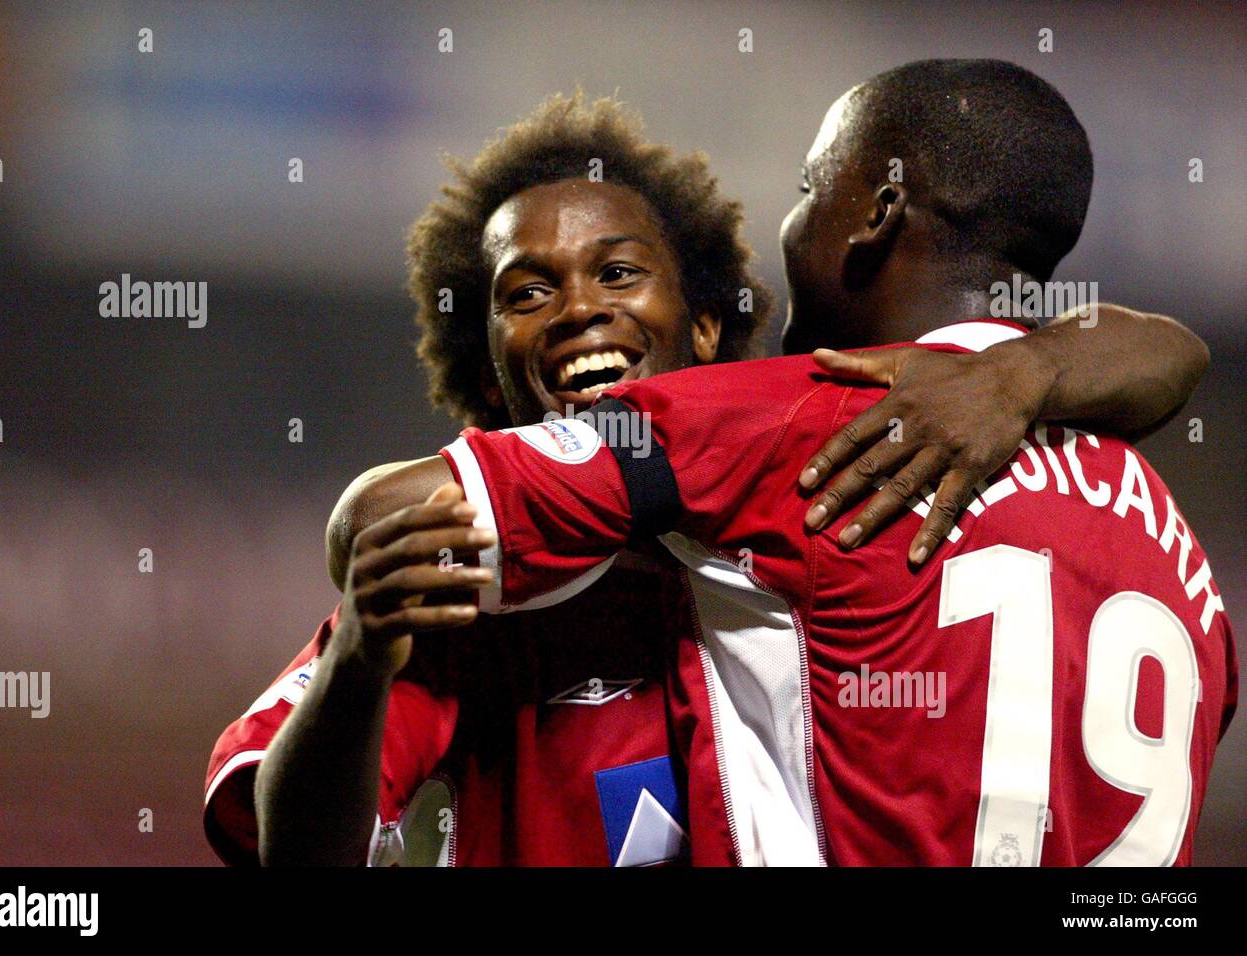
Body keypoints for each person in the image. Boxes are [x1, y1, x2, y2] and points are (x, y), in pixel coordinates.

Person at [209, 78, 1212, 865]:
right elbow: (293, 846)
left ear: (704, 323)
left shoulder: (809, 461)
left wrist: (1021, 372)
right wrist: (356, 662)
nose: (575, 311)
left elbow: (1169, 350)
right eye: (525, 291)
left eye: (616, 273)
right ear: (485, 358)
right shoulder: (466, 586)